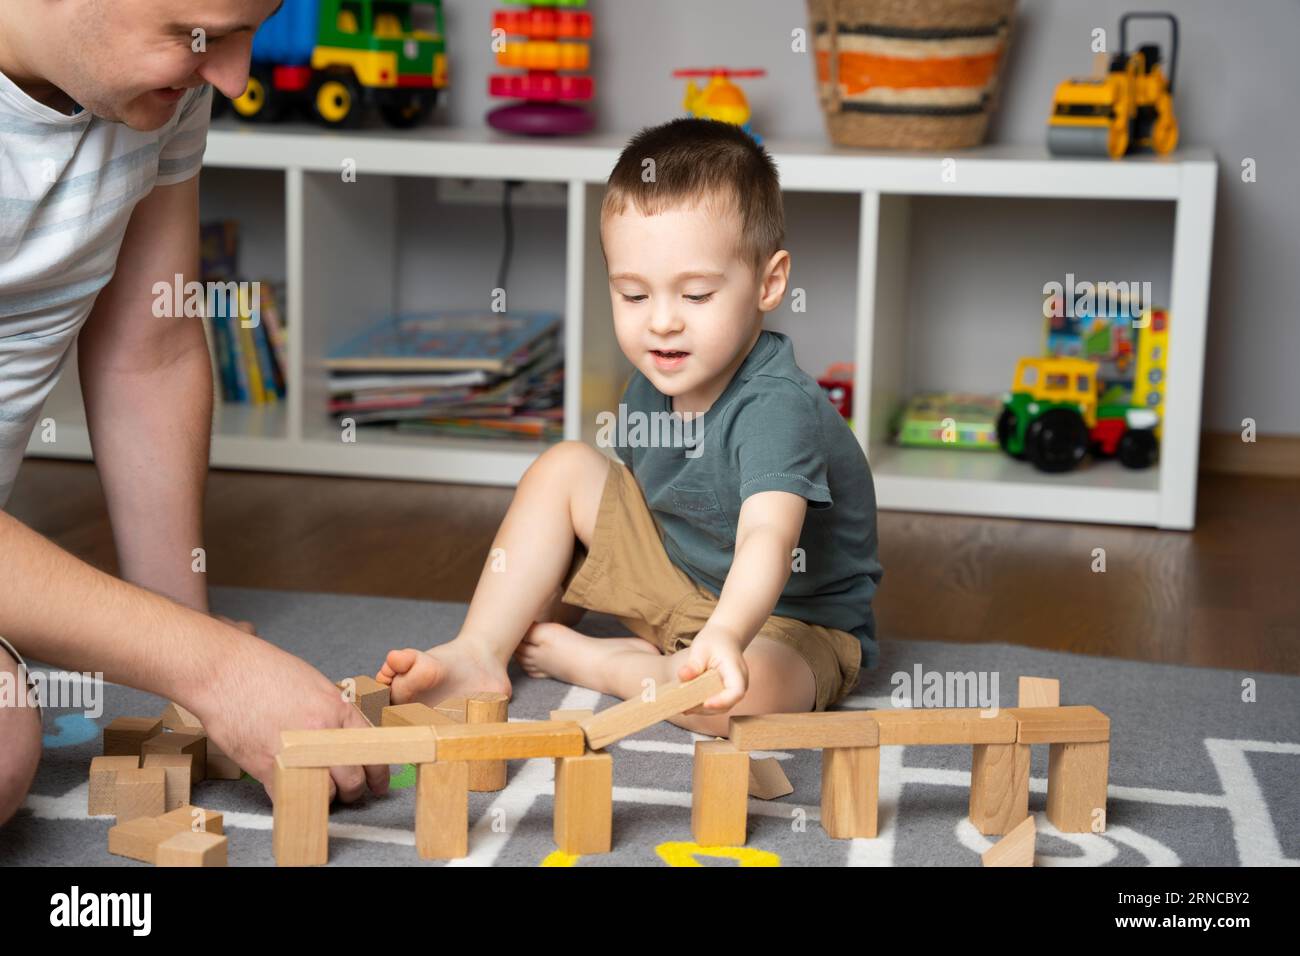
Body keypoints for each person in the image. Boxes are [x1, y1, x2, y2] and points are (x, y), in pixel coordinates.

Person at [0, 0, 386, 827]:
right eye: (199, 34)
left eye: (252, 28)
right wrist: (213, 668)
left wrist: (180, 633)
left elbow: (150, 351)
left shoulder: (160, 89)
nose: (237, 76)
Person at [378, 118, 882, 736]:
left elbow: (766, 542)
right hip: (679, 586)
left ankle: (620, 671)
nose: (661, 323)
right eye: (634, 296)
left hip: (790, 624)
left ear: (769, 282)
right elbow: (634, 516)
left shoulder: (776, 406)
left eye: (696, 295)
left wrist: (723, 633)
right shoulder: (652, 382)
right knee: (564, 467)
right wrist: (548, 583)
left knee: (726, 703)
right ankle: (478, 652)